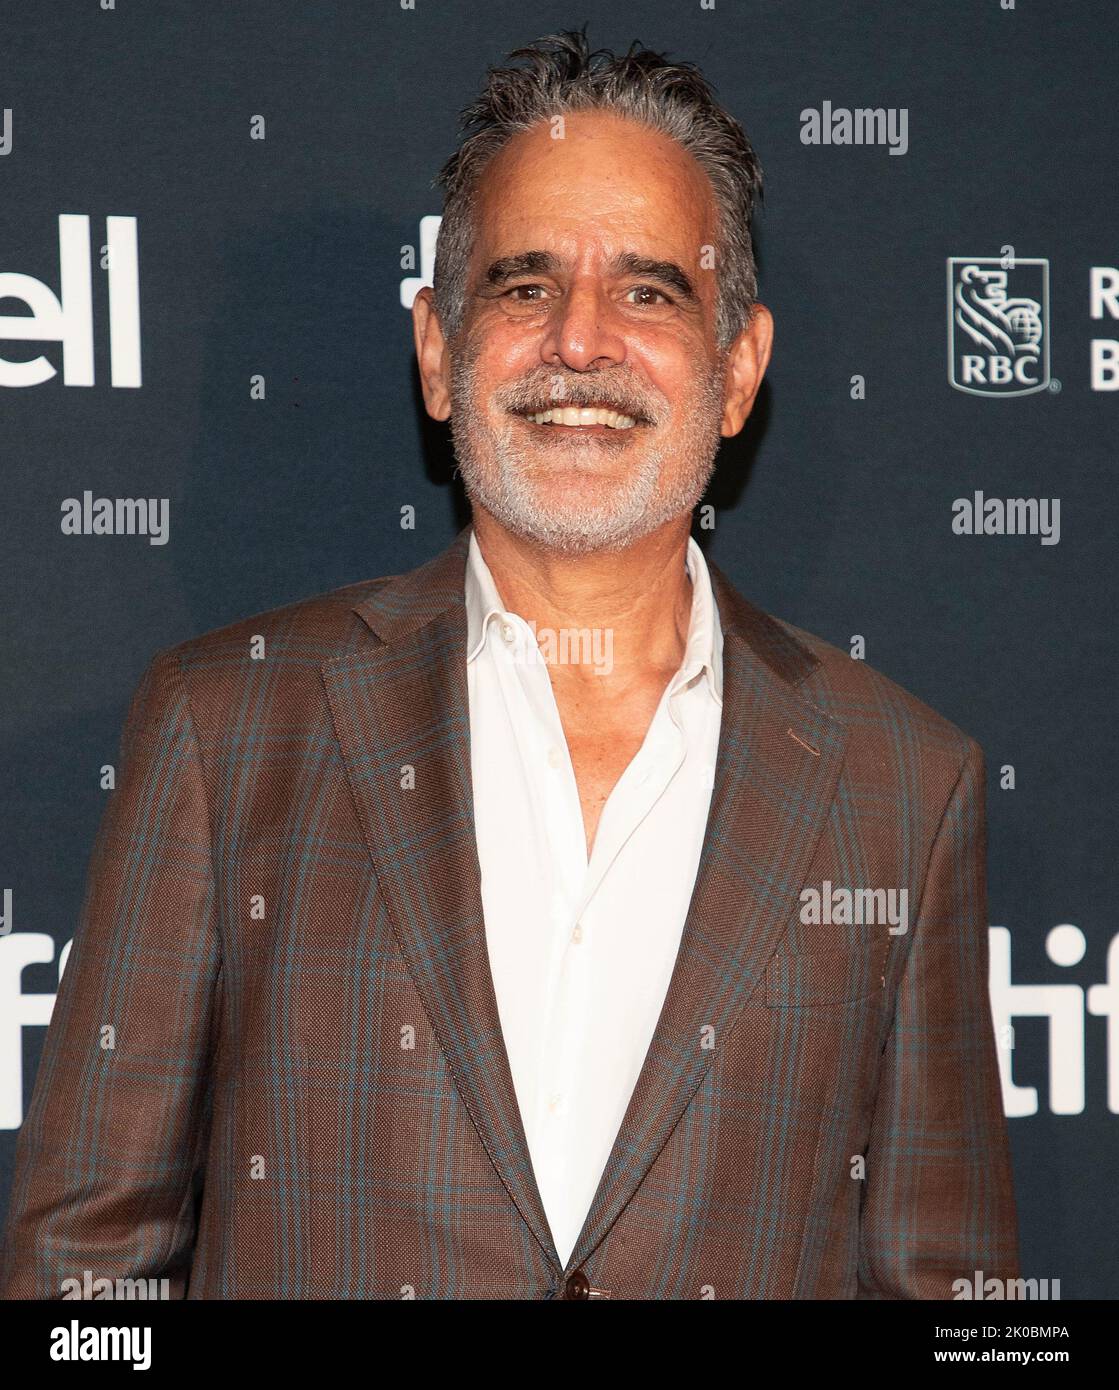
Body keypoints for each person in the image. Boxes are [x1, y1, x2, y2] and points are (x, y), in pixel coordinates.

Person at [0, 30, 1017, 1300]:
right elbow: (78, 1277)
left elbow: (952, 1302)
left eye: (650, 290)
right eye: (526, 285)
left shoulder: (903, 788)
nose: (580, 342)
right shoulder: (229, 725)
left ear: (739, 367)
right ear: (438, 350)